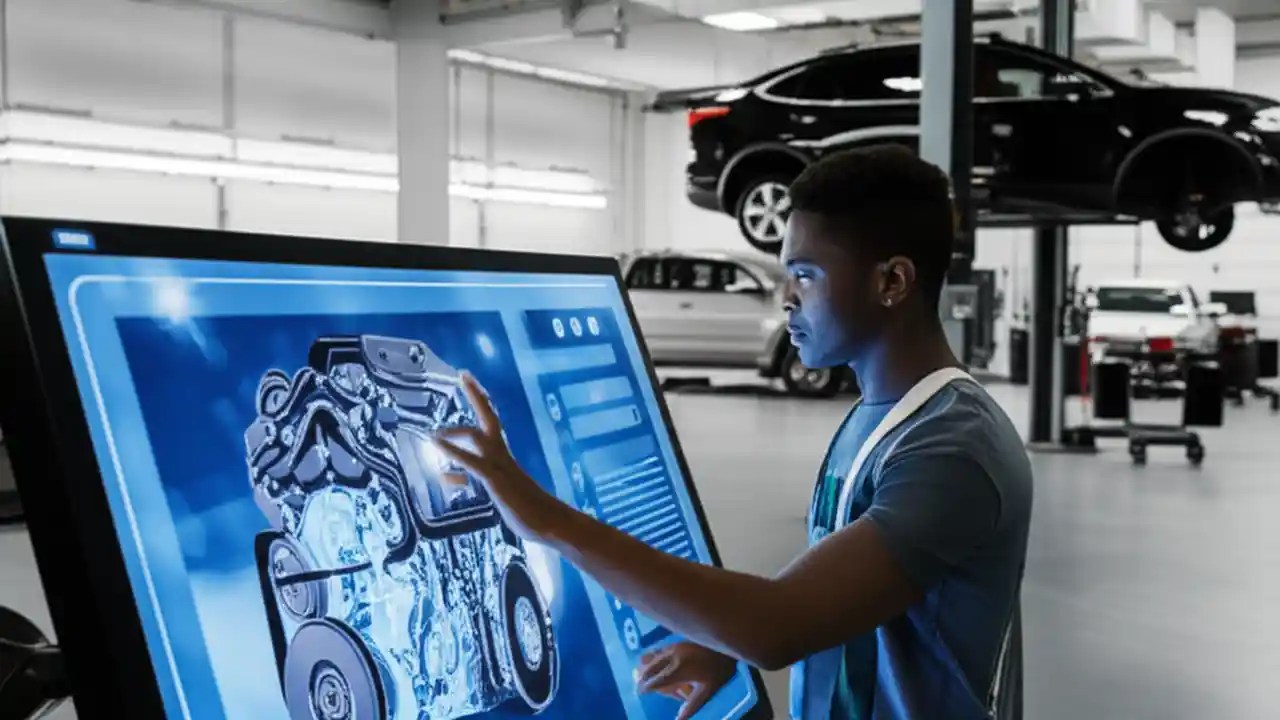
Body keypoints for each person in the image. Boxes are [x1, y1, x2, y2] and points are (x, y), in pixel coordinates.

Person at [434, 145, 1033, 720]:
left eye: (806, 274)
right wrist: (727, 645)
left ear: (893, 282)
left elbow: (779, 625)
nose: (787, 297)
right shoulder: (875, 415)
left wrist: (544, 520)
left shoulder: (954, 449)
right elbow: (841, 597)